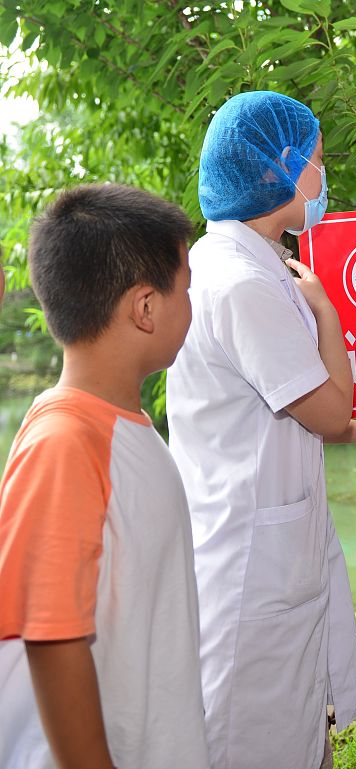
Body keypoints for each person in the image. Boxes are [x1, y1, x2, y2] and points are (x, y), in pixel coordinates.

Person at [166, 91, 356, 769]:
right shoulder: (242, 281)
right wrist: (327, 315)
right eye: (317, 160)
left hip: (269, 550)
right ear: (279, 168)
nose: (322, 175)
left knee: (293, 736)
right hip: (248, 572)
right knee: (252, 741)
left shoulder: (252, 265)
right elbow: (327, 406)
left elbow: (285, 411)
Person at [0, 184, 208, 769]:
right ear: (145, 308)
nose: (191, 307)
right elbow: (52, 635)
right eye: (186, 291)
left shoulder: (125, 424)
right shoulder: (65, 443)